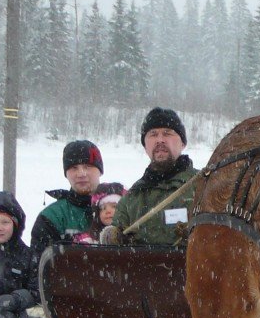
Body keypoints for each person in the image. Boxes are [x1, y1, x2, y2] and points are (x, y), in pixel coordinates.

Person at [101, 108, 197, 246]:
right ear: (145, 146)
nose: (160, 140)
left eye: (167, 133)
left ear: (183, 143)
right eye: (153, 134)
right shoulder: (133, 197)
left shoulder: (203, 185)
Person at [30, 139, 104, 255]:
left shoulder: (120, 209)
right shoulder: (52, 216)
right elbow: (40, 261)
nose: (81, 174)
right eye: (74, 168)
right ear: (66, 173)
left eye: (87, 166)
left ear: (100, 171)